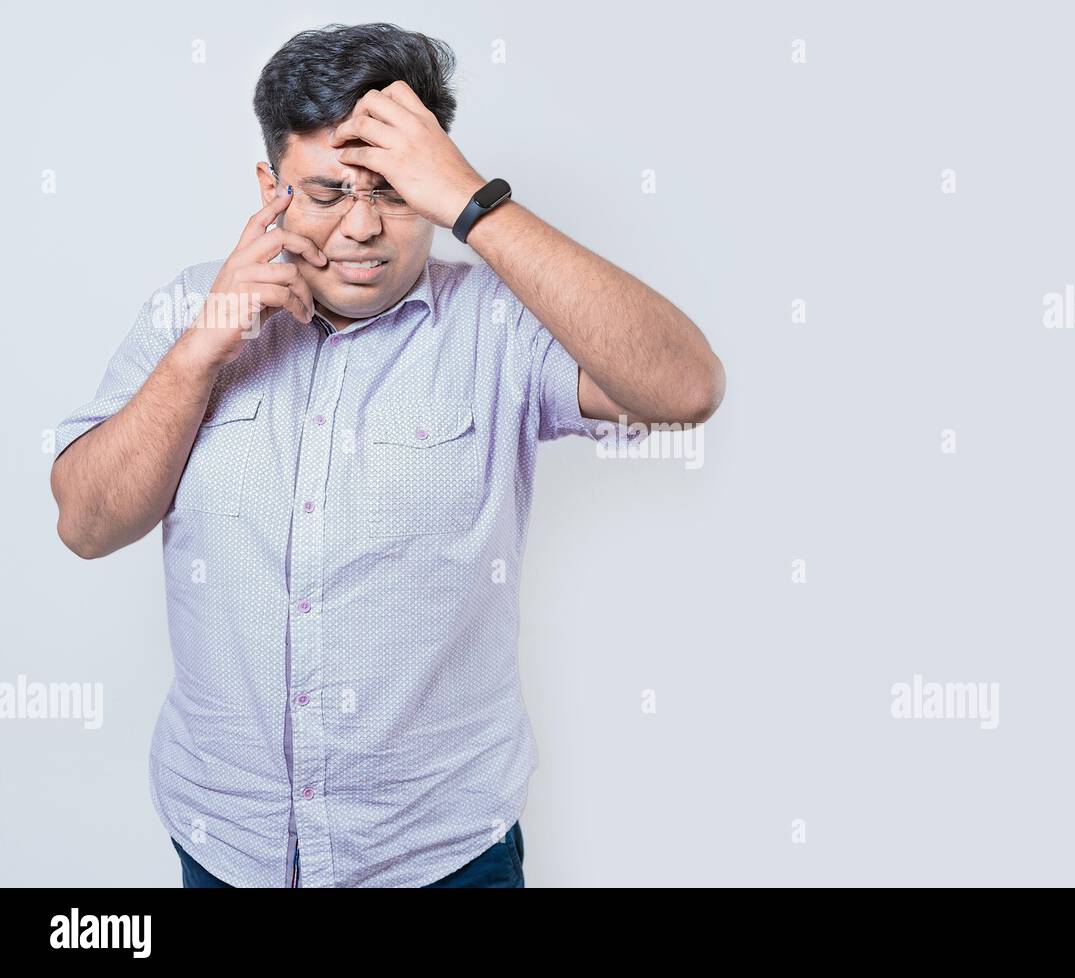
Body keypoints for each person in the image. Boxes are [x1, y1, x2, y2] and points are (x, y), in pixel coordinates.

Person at [49, 22, 724, 888]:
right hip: (227, 847)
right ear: (270, 187)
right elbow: (87, 524)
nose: (363, 229)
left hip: (439, 858)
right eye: (326, 193)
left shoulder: (499, 323)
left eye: (397, 194)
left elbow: (687, 387)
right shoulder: (191, 306)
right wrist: (199, 354)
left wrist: (473, 205)